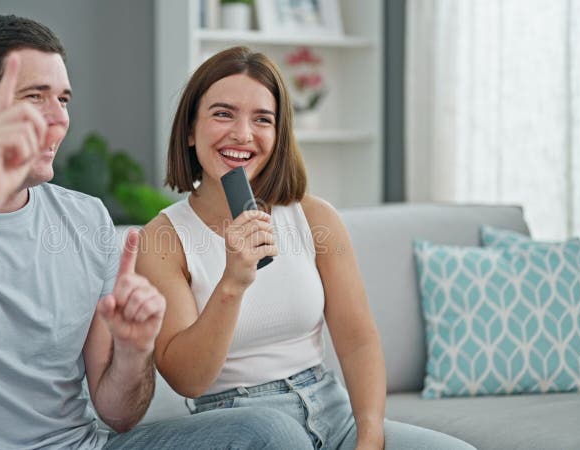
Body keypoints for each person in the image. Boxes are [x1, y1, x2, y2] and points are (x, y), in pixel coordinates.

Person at [0, 17, 312, 449]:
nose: (60, 117)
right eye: (34, 97)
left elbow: (118, 414)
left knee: (267, 433)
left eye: (62, 99)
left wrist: (132, 352)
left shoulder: (85, 220)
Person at [136, 46, 477, 450]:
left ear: (278, 136)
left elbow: (358, 340)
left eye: (262, 119)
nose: (243, 134)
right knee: (279, 438)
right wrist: (232, 282)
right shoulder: (162, 239)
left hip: (331, 413)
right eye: (223, 113)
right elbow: (187, 379)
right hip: (242, 426)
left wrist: (369, 435)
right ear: (190, 130)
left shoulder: (314, 218)